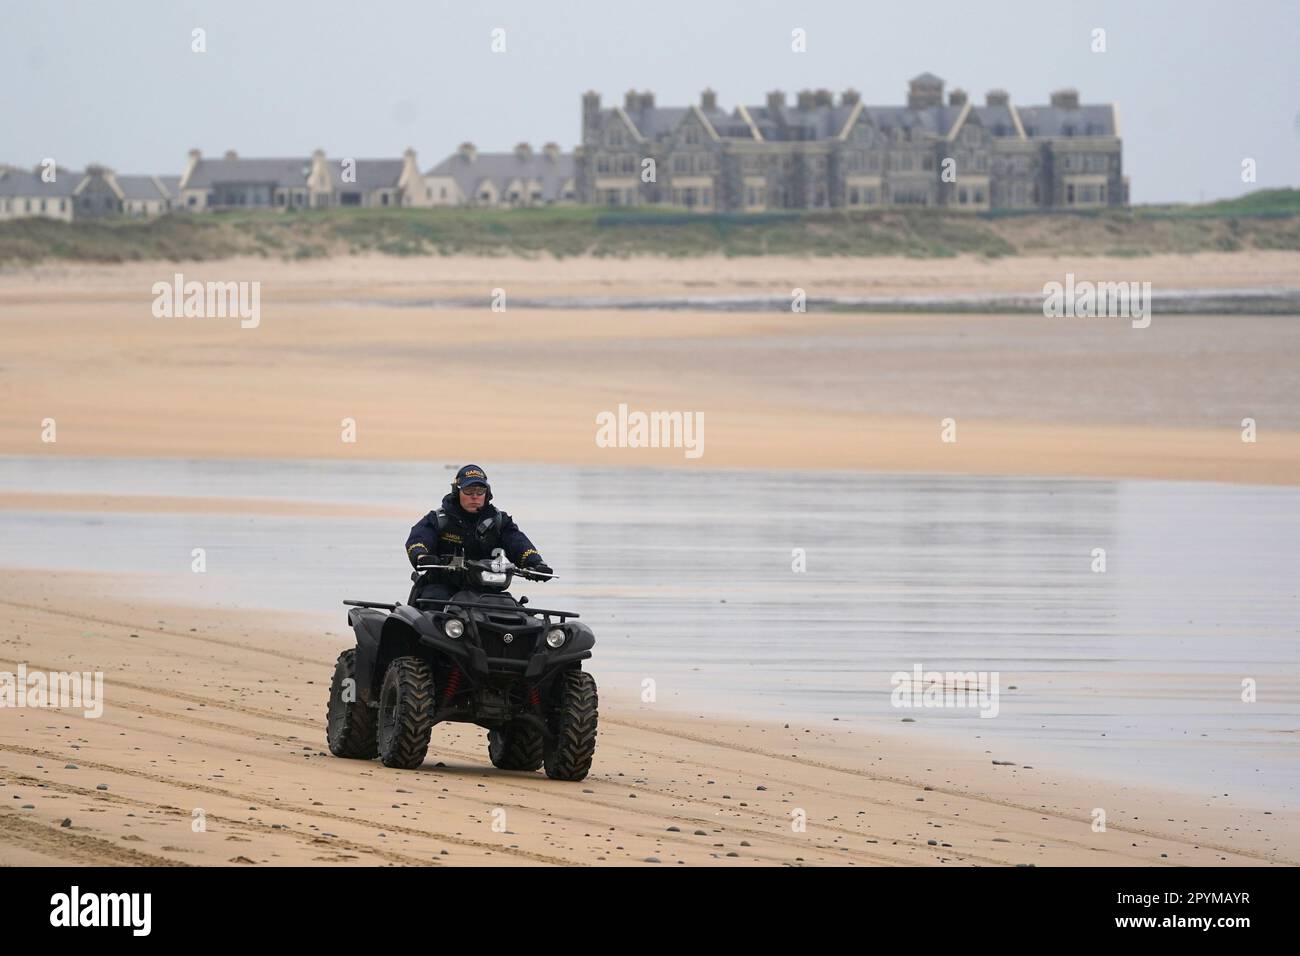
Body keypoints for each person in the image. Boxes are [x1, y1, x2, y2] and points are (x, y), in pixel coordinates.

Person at [405, 464, 552, 606]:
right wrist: (422, 556)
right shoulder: (439, 519)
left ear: (487, 494)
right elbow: (418, 539)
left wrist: (536, 563)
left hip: (487, 590)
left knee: (516, 612)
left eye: (479, 491)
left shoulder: (500, 521)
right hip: (443, 588)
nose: (474, 496)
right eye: (468, 491)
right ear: (457, 492)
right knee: (433, 603)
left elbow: (518, 542)